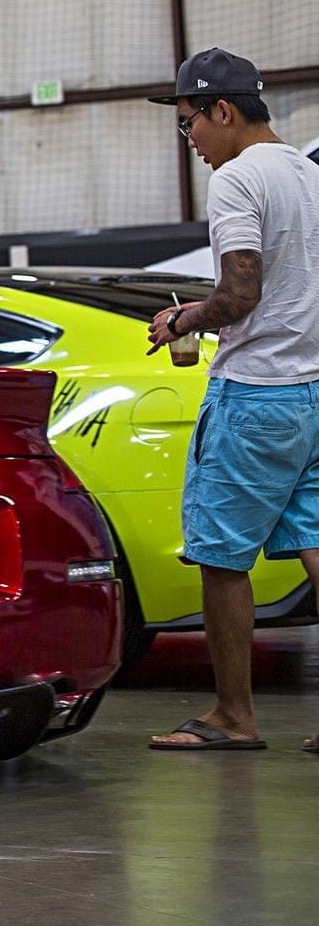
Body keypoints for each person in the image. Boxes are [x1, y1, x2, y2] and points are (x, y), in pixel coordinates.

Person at [141, 49, 319, 753]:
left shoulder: (239, 178)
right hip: (315, 388)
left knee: (221, 558)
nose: (191, 144)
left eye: (188, 126)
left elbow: (239, 294)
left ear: (222, 110)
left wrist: (180, 321)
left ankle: (233, 717)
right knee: (315, 543)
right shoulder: (310, 173)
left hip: (257, 395)